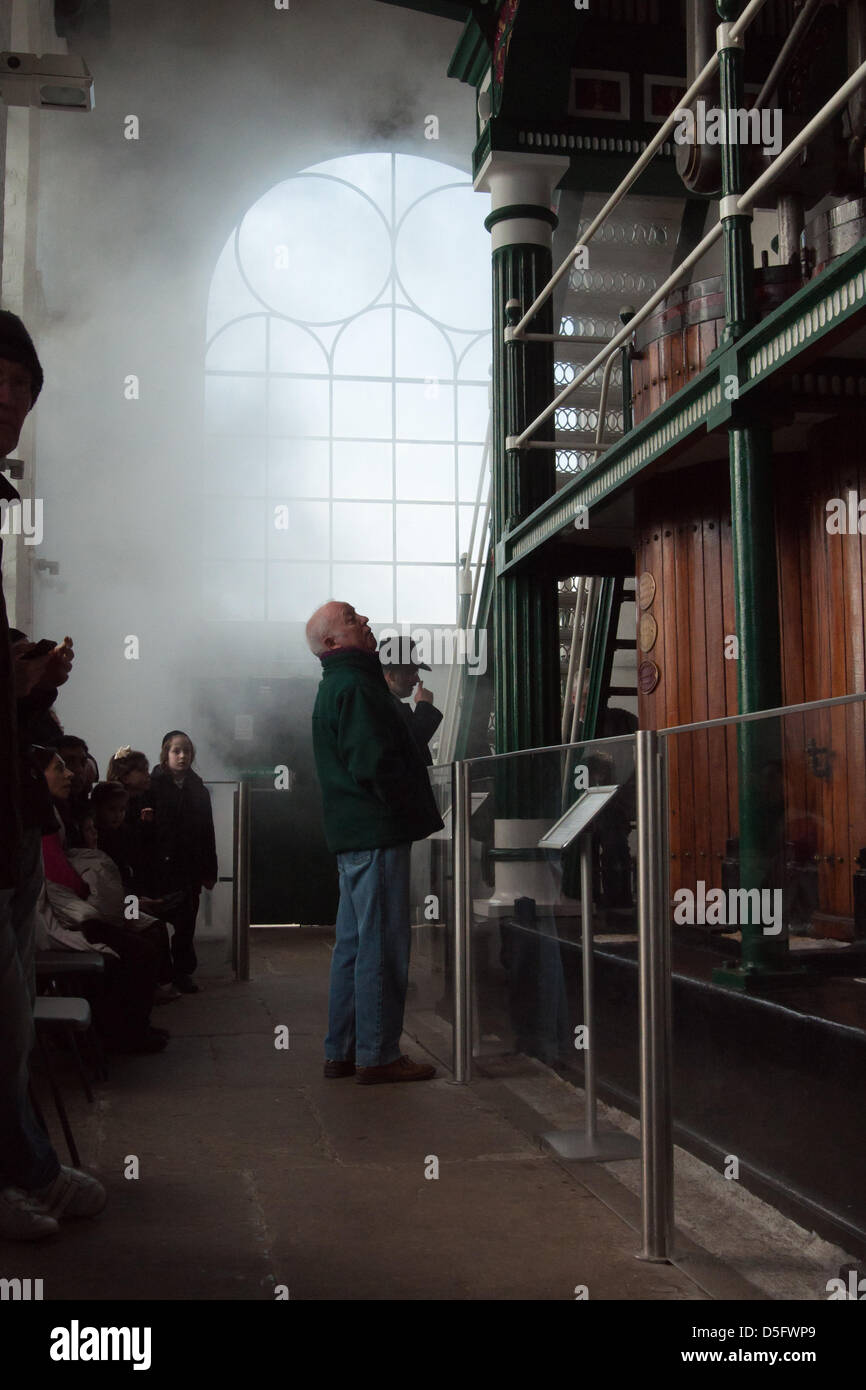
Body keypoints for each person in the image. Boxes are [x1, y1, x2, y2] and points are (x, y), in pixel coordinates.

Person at [0, 311, 105, 1239]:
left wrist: (25, 671)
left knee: (10, 1024)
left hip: (6, 814)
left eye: (23, 387)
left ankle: (25, 1166)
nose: (10, 400)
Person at [306, 600, 443, 1084]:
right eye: (351, 618)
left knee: (353, 944)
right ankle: (379, 1054)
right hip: (376, 832)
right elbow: (375, 765)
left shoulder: (340, 684)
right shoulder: (357, 687)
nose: (364, 621)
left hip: (355, 836)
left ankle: (342, 1050)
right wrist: (408, 812)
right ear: (332, 642)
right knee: (382, 945)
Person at [148, 731, 217, 994]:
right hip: (159, 867)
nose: (182, 756)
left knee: (186, 924)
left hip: (189, 867)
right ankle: (160, 973)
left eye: (186, 751)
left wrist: (210, 869)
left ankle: (182, 972)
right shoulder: (152, 785)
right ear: (165, 754)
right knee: (155, 922)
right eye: (176, 750)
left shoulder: (198, 788)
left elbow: (207, 831)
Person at [378, 636, 443, 766]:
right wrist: (424, 707)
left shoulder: (382, 702)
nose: (417, 679)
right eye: (410, 673)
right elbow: (410, 747)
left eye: (416, 672)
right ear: (391, 676)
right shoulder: (382, 708)